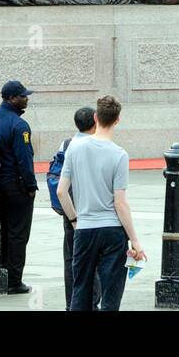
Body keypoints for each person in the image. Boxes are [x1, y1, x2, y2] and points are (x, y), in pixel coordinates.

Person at [57, 95, 146, 312]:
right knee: (111, 295)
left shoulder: (74, 148)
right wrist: (135, 241)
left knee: (81, 291)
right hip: (113, 231)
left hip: (85, 229)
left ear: (96, 117)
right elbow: (120, 203)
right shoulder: (120, 155)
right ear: (117, 120)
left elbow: (61, 192)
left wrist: (76, 221)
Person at [0, 80, 37, 294]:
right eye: (23, 96)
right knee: (18, 233)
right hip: (16, 186)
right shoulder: (19, 125)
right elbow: (24, 159)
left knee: (0, 230)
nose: (26, 99)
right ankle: (13, 280)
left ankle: (1, 271)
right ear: (12, 98)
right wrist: (30, 186)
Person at [58, 105, 96, 309]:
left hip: (70, 208)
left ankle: (71, 302)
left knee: (71, 258)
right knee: (94, 259)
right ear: (96, 121)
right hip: (91, 210)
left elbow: (60, 188)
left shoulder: (65, 144)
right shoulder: (99, 145)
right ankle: (91, 302)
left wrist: (71, 218)